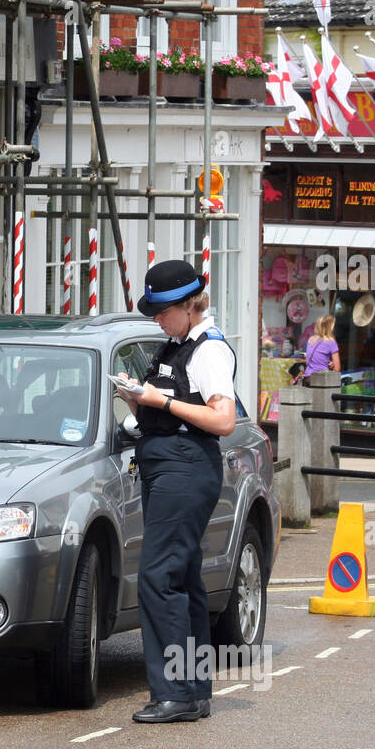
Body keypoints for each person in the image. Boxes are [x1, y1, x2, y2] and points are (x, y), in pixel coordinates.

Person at [115, 259, 238, 724]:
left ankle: (172, 693)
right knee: (182, 579)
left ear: (190, 306)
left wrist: (159, 401)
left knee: (158, 577)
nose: (157, 318)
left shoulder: (209, 350)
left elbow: (222, 421)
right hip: (168, 466)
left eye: (164, 310)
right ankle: (193, 693)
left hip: (185, 468)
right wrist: (137, 399)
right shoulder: (176, 345)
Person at [302, 314, 341, 379]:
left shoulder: (311, 340)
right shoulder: (331, 342)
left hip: (308, 378)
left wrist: (329, 362)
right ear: (330, 328)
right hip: (322, 380)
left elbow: (310, 361)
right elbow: (337, 369)